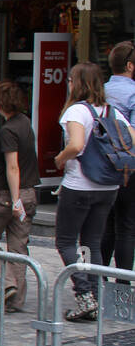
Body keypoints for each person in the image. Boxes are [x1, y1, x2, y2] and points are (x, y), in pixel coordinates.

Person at [53, 62, 135, 320]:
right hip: (108, 186)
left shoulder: (77, 111)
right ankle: (97, 295)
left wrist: (60, 158)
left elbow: (76, 144)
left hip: (79, 185)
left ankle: (85, 295)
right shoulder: (112, 111)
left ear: (77, 84)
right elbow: (131, 138)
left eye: (70, 80)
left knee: (66, 241)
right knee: (91, 242)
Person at [0, 81, 39, 311]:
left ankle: (6, 284)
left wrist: (15, 199)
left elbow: (12, 167)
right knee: (18, 246)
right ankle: (16, 299)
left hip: (7, 193)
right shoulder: (25, 123)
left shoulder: (7, 131)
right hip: (30, 191)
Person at [101, 41, 135, 277]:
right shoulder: (133, 93)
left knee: (105, 225)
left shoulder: (100, 90)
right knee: (126, 226)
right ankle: (123, 284)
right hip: (128, 167)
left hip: (102, 165)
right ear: (130, 65)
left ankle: (99, 279)